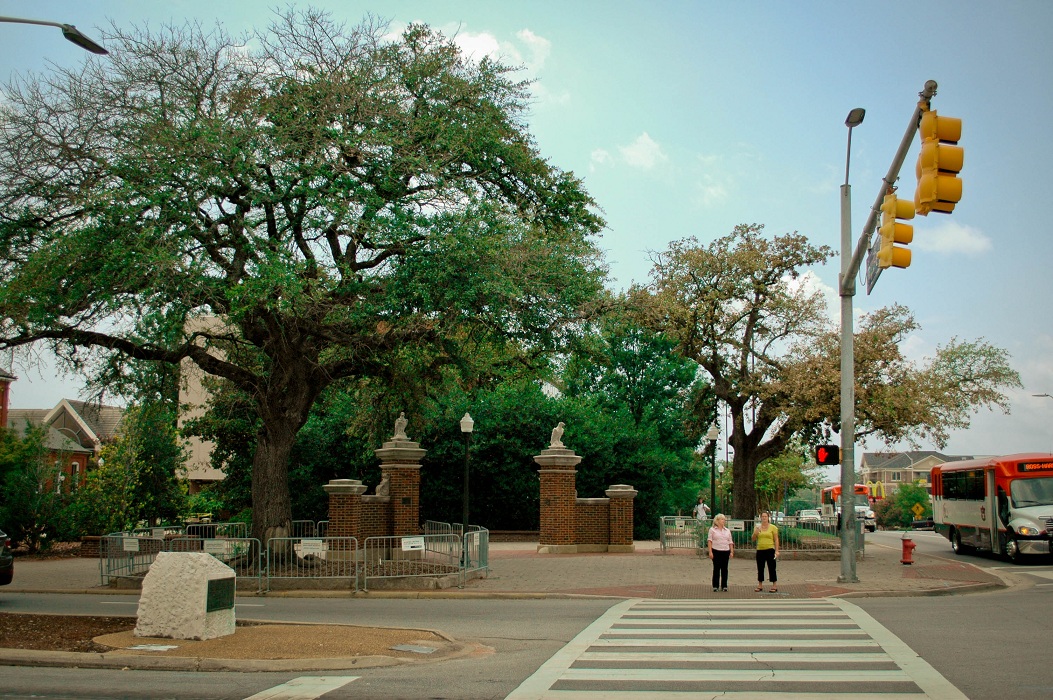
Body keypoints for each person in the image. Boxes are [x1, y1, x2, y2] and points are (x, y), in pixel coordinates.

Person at [752, 511, 780, 593]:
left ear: (768, 518)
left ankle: (774, 585)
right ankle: (760, 584)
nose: (764, 518)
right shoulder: (757, 527)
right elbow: (753, 539)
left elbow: (776, 539)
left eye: (765, 516)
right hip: (760, 549)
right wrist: (755, 533)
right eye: (762, 516)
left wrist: (777, 550)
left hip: (770, 549)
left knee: (772, 567)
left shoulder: (773, 527)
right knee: (760, 568)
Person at [706, 513, 734, 592]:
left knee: (725, 568)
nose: (723, 521)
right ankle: (715, 585)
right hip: (716, 550)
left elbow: (730, 541)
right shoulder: (712, 530)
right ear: (717, 521)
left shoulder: (727, 530)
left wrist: (731, 551)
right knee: (716, 568)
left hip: (725, 551)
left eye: (724, 519)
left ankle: (724, 585)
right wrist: (710, 552)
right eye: (722, 519)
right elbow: (710, 541)